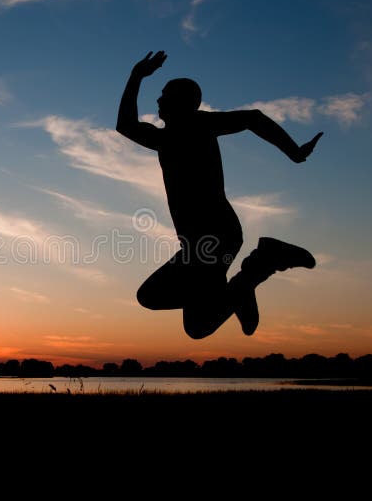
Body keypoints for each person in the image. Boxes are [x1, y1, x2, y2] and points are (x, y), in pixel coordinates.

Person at [116, 51, 322, 339]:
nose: (159, 100)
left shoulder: (200, 125)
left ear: (183, 103)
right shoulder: (164, 139)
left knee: (156, 299)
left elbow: (253, 118)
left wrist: (294, 152)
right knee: (194, 323)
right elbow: (125, 126)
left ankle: (259, 267)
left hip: (216, 234)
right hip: (196, 244)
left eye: (165, 95)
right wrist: (136, 76)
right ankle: (247, 281)